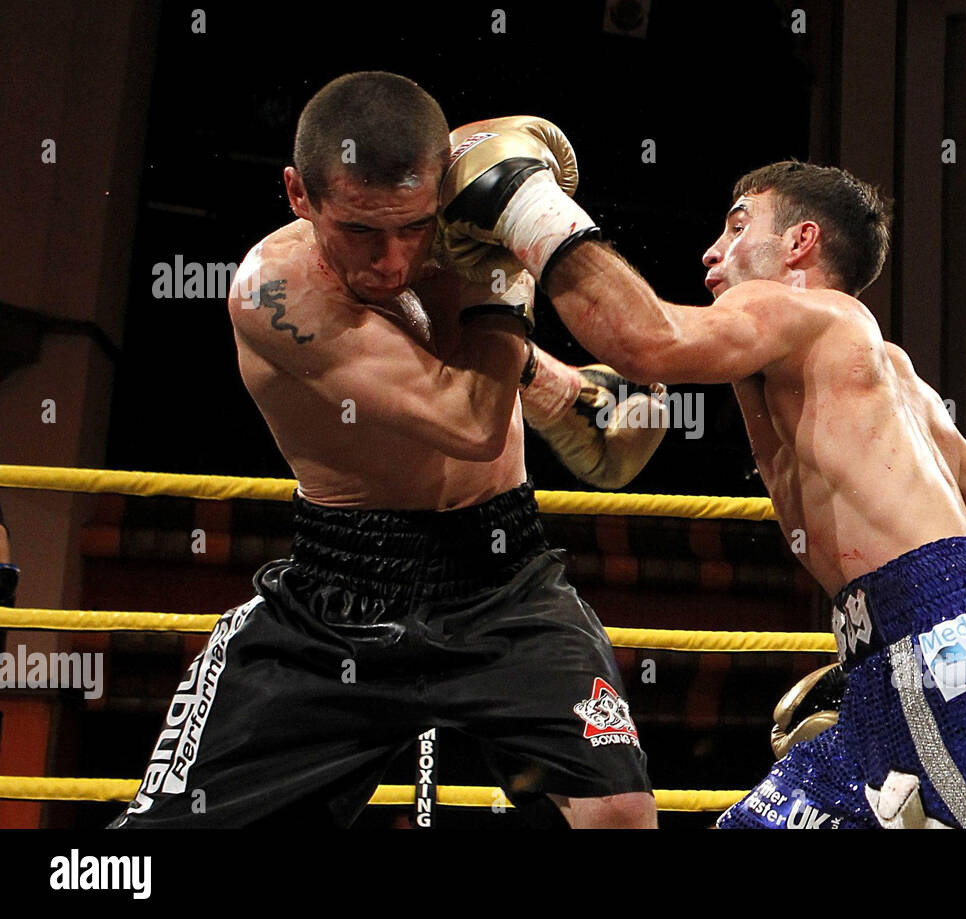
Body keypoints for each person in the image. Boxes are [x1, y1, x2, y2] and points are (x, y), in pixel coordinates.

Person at [436, 127, 966, 828]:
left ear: (799, 243)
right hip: (894, 659)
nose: (711, 251)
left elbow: (647, 340)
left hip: (948, 650)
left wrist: (528, 210)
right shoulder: (893, 375)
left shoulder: (791, 306)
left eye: (737, 225)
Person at [109, 73, 663, 829]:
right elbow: (464, 416)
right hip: (339, 597)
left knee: (618, 812)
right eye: (362, 230)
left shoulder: (455, 220)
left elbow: (487, 363)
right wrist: (509, 265)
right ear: (300, 195)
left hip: (504, 576)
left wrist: (579, 397)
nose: (393, 260)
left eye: (414, 226)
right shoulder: (275, 290)